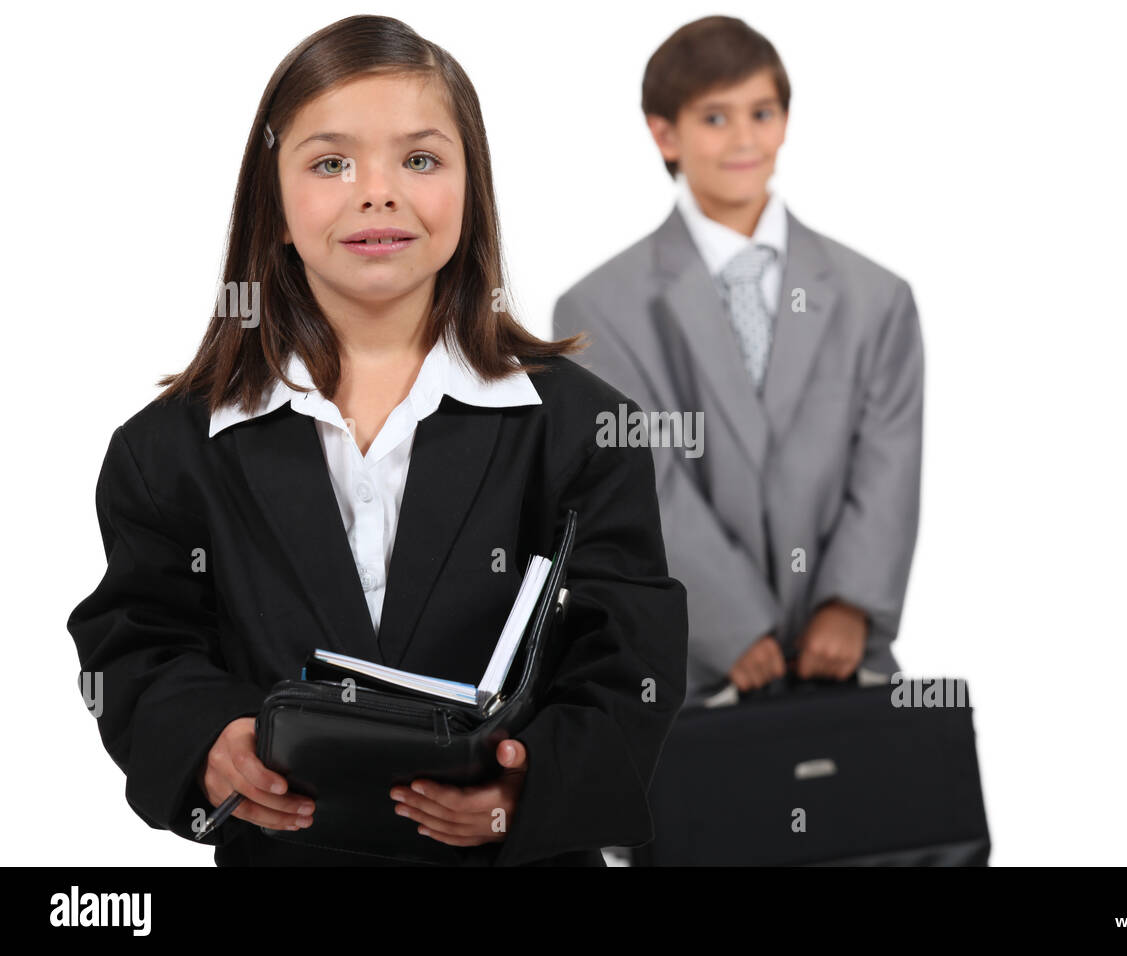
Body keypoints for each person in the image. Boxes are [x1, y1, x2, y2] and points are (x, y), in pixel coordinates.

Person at [66, 14, 688, 866]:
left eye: (420, 159)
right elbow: (138, 644)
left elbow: (630, 666)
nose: (377, 192)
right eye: (331, 163)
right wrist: (209, 740)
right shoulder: (167, 452)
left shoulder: (584, 431)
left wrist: (529, 786)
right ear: (274, 207)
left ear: (472, 194)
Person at [553, 16, 924, 707]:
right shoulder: (597, 309)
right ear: (665, 134)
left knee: (876, 811)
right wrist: (730, 627)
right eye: (715, 117)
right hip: (692, 671)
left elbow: (889, 460)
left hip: (844, 659)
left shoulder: (878, 297)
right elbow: (644, 480)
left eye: (762, 112)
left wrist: (849, 605)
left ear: (786, 121)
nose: (746, 139)